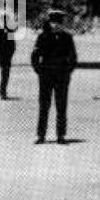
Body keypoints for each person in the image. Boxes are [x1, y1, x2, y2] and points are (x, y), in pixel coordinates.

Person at [31, 9, 76, 144]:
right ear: (50, 23)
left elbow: (73, 57)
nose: (56, 25)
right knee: (44, 106)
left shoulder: (67, 38)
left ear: (62, 24)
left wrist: (68, 71)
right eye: (53, 22)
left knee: (61, 106)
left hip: (61, 77)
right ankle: (41, 135)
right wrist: (39, 70)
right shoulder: (43, 37)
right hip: (46, 76)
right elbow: (35, 56)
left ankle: (61, 135)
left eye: (58, 23)